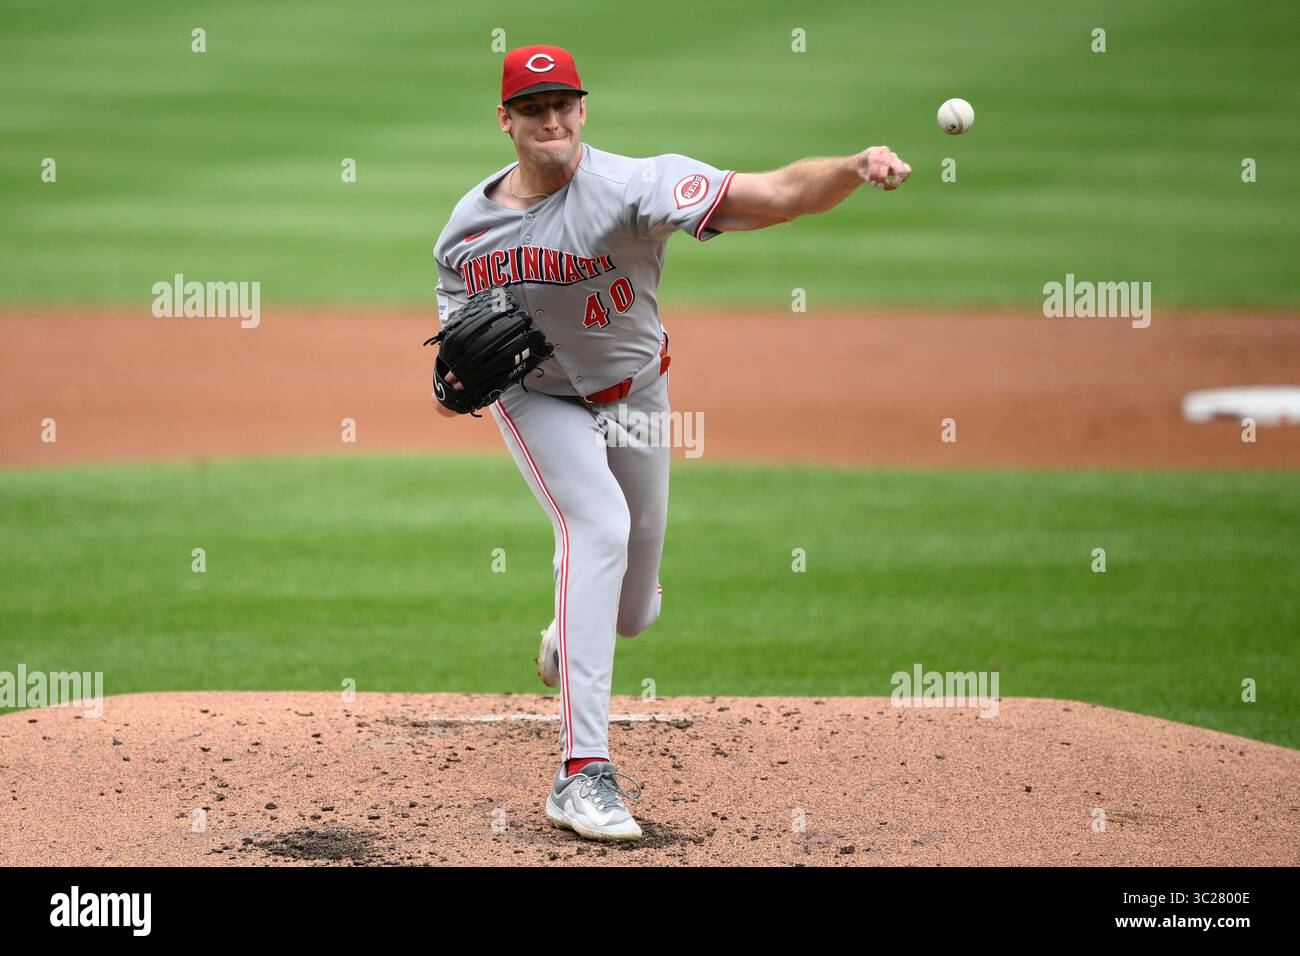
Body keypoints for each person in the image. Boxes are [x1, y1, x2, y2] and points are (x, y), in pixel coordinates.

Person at [431, 44, 910, 841]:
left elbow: (778, 195)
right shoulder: (467, 232)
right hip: (539, 400)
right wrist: (451, 393)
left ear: (582, 110)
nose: (552, 120)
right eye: (533, 108)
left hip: (638, 400)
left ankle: (565, 630)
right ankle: (582, 776)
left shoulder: (633, 186)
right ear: (505, 120)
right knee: (598, 528)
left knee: (635, 611)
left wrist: (854, 166)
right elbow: (456, 371)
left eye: (564, 104)